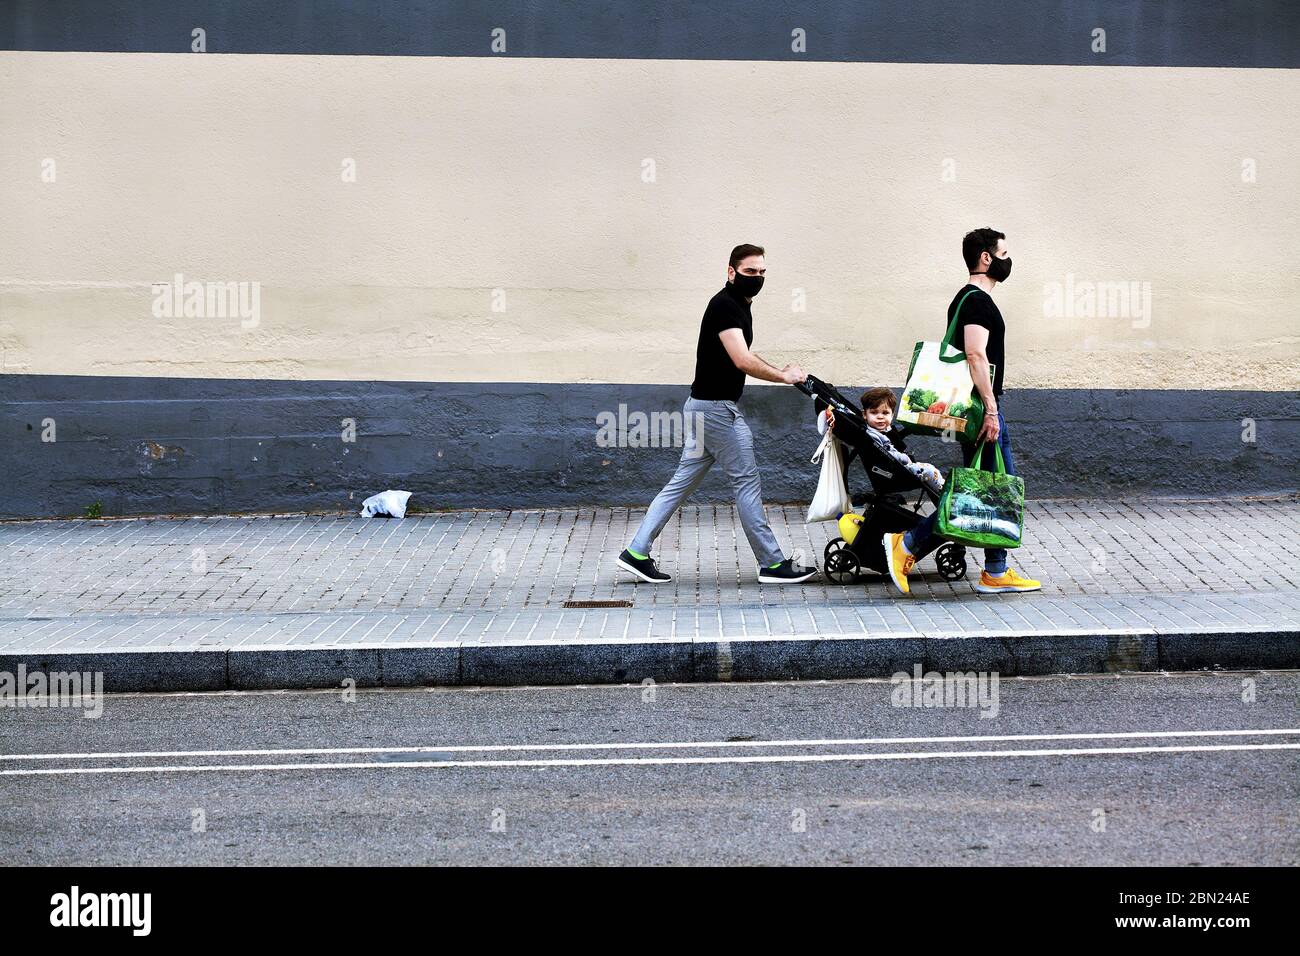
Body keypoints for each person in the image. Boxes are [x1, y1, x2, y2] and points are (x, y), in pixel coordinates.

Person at [617, 244, 818, 584]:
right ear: (731, 271)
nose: (757, 278)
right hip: (716, 411)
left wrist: (780, 370)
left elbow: (739, 356)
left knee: (679, 485)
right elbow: (742, 359)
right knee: (747, 482)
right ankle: (772, 563)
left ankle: (636, 552)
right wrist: (783, 376)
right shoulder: (725, 306)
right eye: (750, 272)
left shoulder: (738, 305)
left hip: (701, 408)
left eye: (761, 272)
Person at [884, 228, 1042, 596]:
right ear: (986, 258)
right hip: (981, 410)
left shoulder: (967, 299)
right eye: (1003, 253)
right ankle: (907, 545)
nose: (1008, 260)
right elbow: (975, 354)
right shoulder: (975, 302)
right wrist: (991, 409)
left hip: (981, 409)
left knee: (993, 488)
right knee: (987, 491)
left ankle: (996, 571)